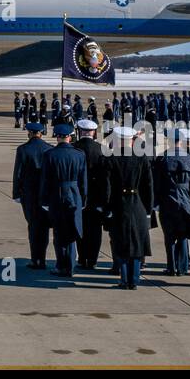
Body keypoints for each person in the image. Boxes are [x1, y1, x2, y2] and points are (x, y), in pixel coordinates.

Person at [104, 126, 153, 289]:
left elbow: (108, 187)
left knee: (121, 243)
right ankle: (135, 279)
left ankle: (125, 280)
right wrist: (148, 209)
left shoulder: (111, 159)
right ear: (133, 140)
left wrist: (108, 207)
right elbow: (148, 186)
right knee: (137, 244)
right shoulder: (142, 158)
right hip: (138, 203)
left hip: (119, 205)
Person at [39, 123, 87, 279]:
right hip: (74, 195)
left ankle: (61, 265)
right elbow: (83, 181)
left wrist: (44, 200)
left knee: (59, 233)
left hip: (56, 194)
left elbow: (45, 180)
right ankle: (71, 266)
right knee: (72, 231)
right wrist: (84, 199)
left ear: (57, 136)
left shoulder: (49, 155)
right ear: (70, 136)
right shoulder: (79, 154)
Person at [153, 127, 190, 276]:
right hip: (186, 200)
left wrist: (156, 202)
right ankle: (182, 267)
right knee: (182, 235)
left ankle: (171, 267)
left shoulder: (162, 158)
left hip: (168, 199)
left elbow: (157, 182)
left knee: (169, 236)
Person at [12, 122, 51, 270]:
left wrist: (16, 193)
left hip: (29, 195)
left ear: (29, 133)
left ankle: (36, 259)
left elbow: (18, 173)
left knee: (34, 227)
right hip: (45, 194)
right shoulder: (49, 148)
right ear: (41, 133)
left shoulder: (23, 149)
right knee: (44, 228)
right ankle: (43, 258)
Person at [73, 118, 105, 269]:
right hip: (96, 197)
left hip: (78, 195)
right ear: (93, 132)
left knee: (81, 228)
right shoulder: (101, 149)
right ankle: (93, 260)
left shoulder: (74, 148)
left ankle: (82, 258)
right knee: (95, 230)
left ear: (79, 131)